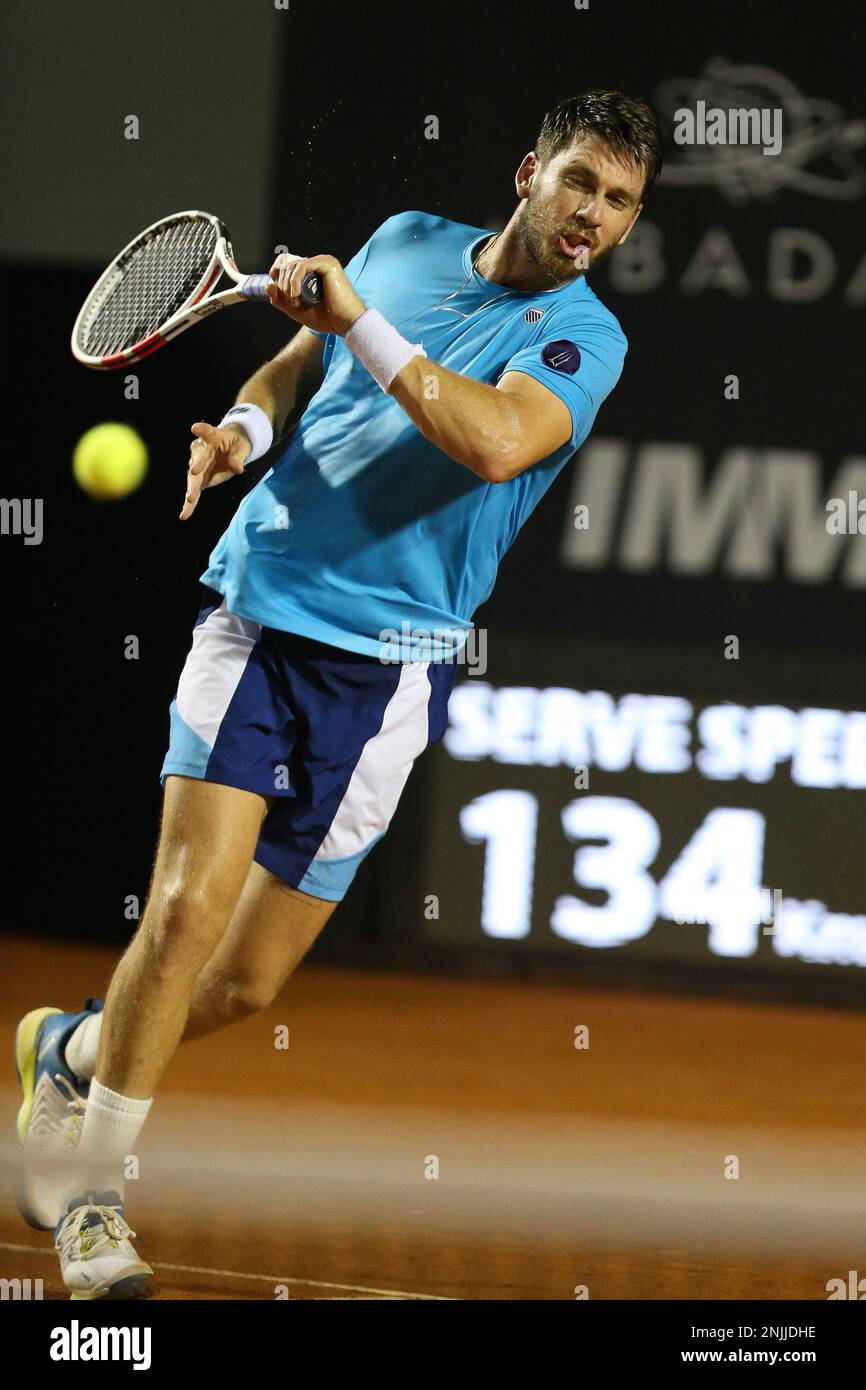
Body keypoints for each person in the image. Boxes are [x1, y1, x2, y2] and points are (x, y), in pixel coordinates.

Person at [15, 88, 663, 1299]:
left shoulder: (583, 342)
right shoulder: (407, 238)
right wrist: (246, 437)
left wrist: (357, 319)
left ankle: (74, 1049)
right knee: (186, 904)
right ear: (529, 171)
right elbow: (296, 365)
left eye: (619, 201)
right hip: (263, 609)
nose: (591, 215)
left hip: (395, 668)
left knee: (247, 984)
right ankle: (94, 1202)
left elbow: (490, 444)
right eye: (578, 181)